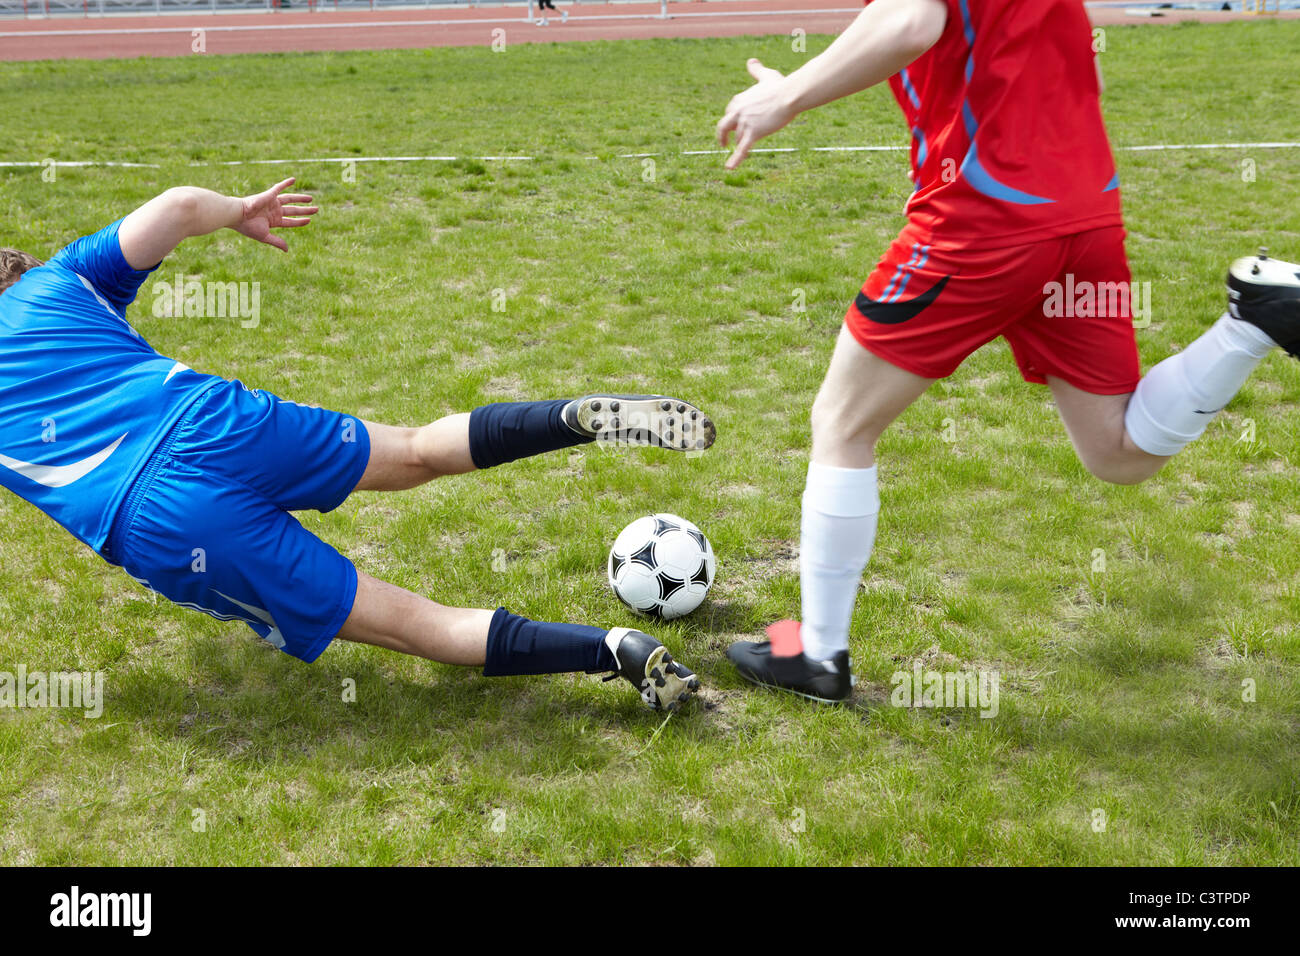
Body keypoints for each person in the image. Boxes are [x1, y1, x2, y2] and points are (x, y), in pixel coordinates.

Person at [714, 0, 1300, 701]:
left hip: (981, 221)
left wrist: (788, 94)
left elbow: (910, 23)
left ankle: (816, 655)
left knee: (842, 424)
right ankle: (1253, 320)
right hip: (1085, 212)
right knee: (1117, 453)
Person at [0, 179, 716, 711]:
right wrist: (240, 213)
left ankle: (614, 651)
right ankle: (575, 417)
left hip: (158, 522)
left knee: (417, 626)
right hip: (212, 418)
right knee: (414, 451)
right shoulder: (60, 280)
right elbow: (181, 206)